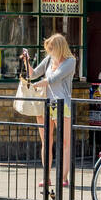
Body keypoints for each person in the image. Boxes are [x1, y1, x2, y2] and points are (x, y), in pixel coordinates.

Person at [23, 34, 76, 187]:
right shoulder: (48, 60)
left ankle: (64, 178)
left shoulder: (70, 61)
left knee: (65, 142)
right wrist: (26, 61)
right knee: (46, 141)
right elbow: (33, 74)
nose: (49, 51)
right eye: (48, 48)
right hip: (45, 104)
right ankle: (46, 177)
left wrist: (34, 86)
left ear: (59, 47)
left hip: (62, 105)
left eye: (51, 48)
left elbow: (53, 79)